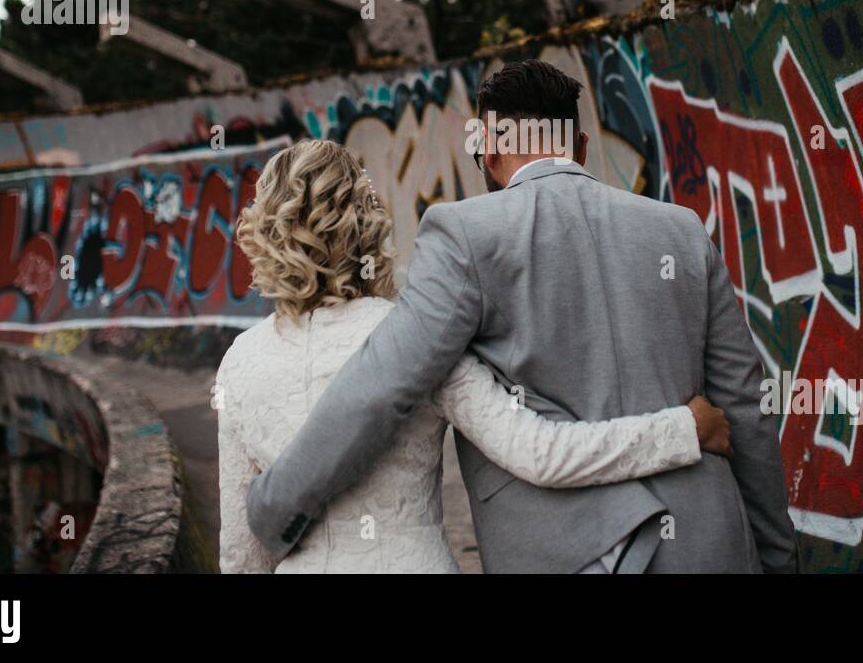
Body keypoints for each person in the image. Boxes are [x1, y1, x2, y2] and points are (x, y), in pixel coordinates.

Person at [246, 59, 797, 573]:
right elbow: (744, 406)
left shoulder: (463, 236)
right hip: (710, 540)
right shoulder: (681, 229)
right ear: (581, 146)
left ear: (486, 148)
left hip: (570, 555)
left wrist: (276, 507)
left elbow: (381, 386)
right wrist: (775, 555)